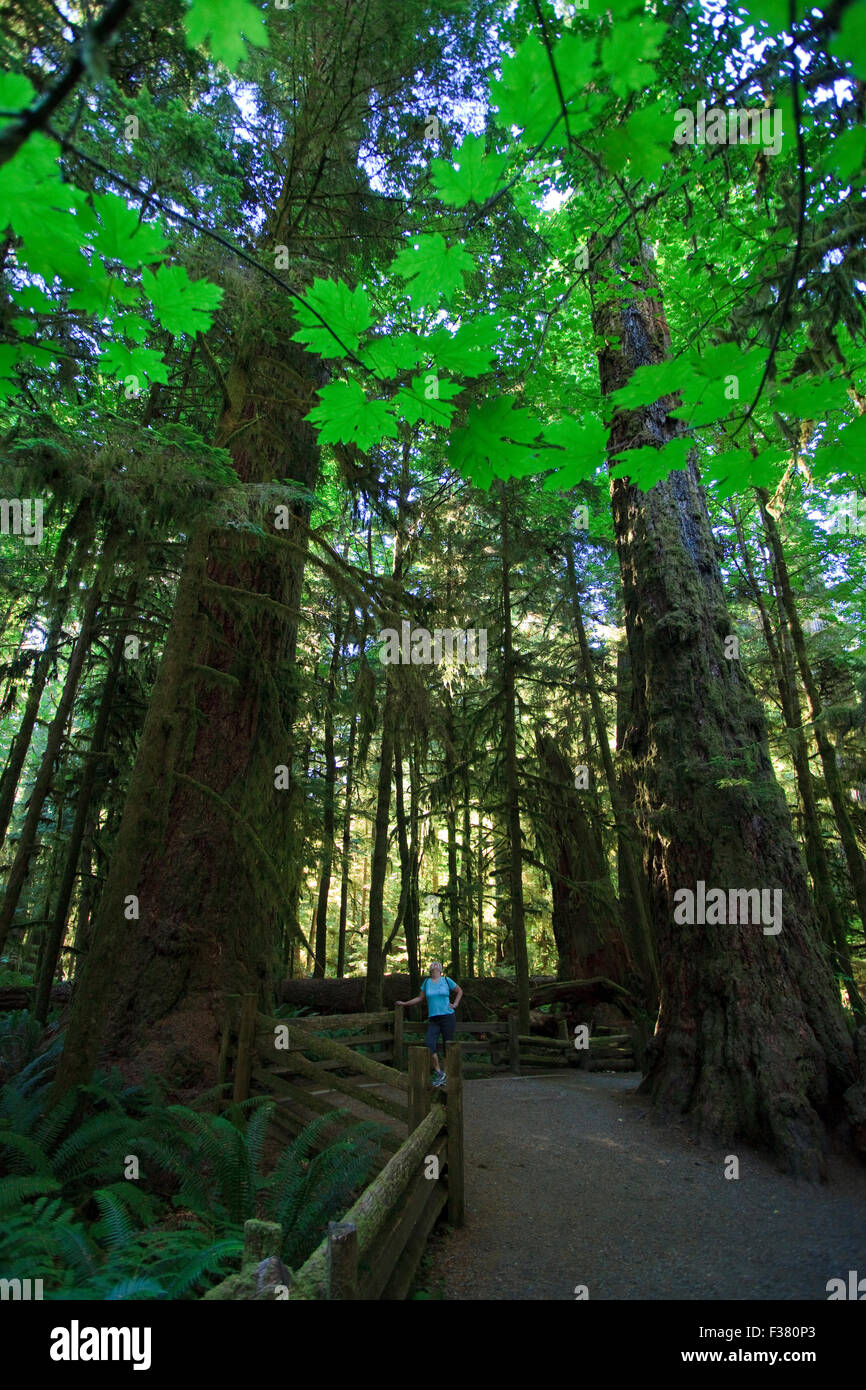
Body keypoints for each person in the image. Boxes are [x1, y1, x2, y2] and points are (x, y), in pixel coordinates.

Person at [396, 961, 462, 1086]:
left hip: (448, 1017)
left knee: (448, 1046)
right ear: (430, 969)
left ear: (441, 969)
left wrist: (456, 1004)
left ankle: (446, 1077)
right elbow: (420, 998)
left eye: (437, 964)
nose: (435, 965)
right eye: (433, 964)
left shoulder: (447, 980)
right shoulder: (426, 983)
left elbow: (460, 991)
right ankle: (440, 1072)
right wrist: (405, 1004)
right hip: (434, 1019)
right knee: (429, 1045)